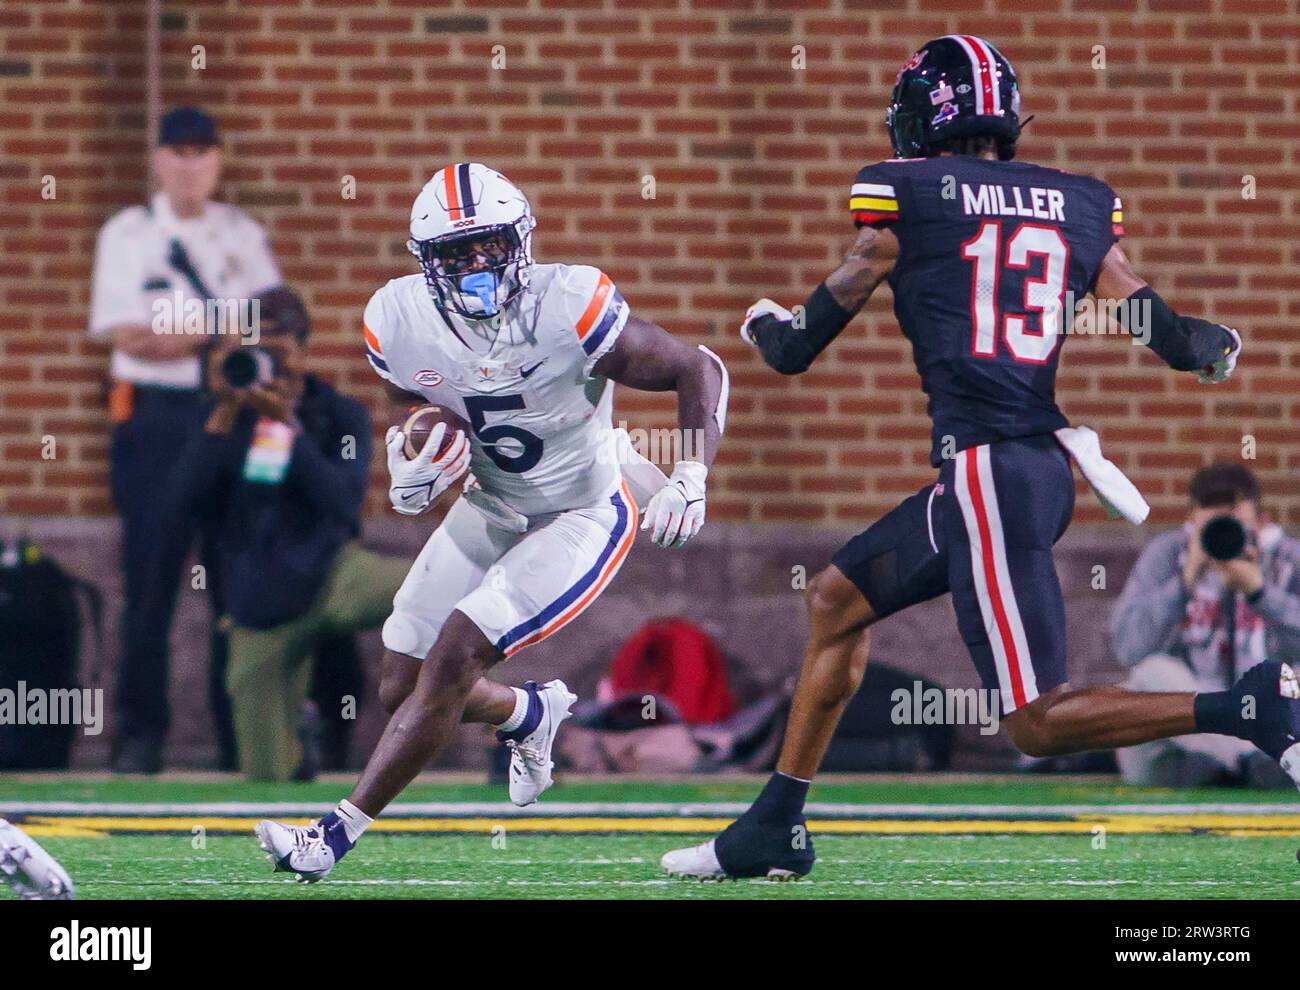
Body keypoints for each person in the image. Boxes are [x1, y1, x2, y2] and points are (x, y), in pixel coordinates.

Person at [661, 35, 1298, 882]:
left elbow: (795, 348)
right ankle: (774, 822)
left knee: (1035, 721)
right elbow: (1172, 336)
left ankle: (1249, 706)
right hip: (1014, 471)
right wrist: (1215, 347)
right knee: (837, 599)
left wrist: (761, 325)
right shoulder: (1075, 204)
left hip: (993, 474)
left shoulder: (907, 197)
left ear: (924, 118)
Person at [254, 163, 729, 881]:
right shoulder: (397, 319)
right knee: (399, 687)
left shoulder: (569, 302)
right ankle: (526, 715)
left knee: (454, 656)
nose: (477, 264)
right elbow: (418, 408)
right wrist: (409, 460)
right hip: (491, 504)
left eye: (490, 244)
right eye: (456, 251)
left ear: (522, 240)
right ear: (426, 262)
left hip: (582, 510)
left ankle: (333, 835)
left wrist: (690, 473)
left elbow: (697, 368)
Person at [88, 106, 281, 773]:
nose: (191, 165)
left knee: (237, 577)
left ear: (218, 161)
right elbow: (130, 335)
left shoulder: (241, 233)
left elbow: (273, 325)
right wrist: (216, 331)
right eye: (179, 152)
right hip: (156, 420)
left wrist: (217, 334)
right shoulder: (130, 234)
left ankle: (239, 735)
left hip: (230, 411)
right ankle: (140, 736)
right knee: (151, 577)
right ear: (158, 159)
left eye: (203, 152)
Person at [156, 287, 408, 782]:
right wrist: (224, 415)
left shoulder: (341, 415)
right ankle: (298, 743)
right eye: (253, 346)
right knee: (266, 780)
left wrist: (287, 426)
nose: (266, 358)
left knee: (451, 593)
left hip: (334, 574)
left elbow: (342, 503)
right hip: (257, 605)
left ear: (303, 347)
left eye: (277, 345)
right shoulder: (217, 413)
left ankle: (497, 729)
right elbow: (177, 510)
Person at [1110, 463, 1300, 787]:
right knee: (1153, 670)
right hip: (1190, 735)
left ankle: (1243, 762)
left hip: (1273, 715)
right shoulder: (1168, 555)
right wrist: (1184, 582)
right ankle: (1245, 759)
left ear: (1261, 521)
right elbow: (1129, 649)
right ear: (1192, 522)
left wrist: (1260, 593)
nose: (1224, 535)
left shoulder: (1287, 558)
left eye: (1233, 524)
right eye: (1214, 525)